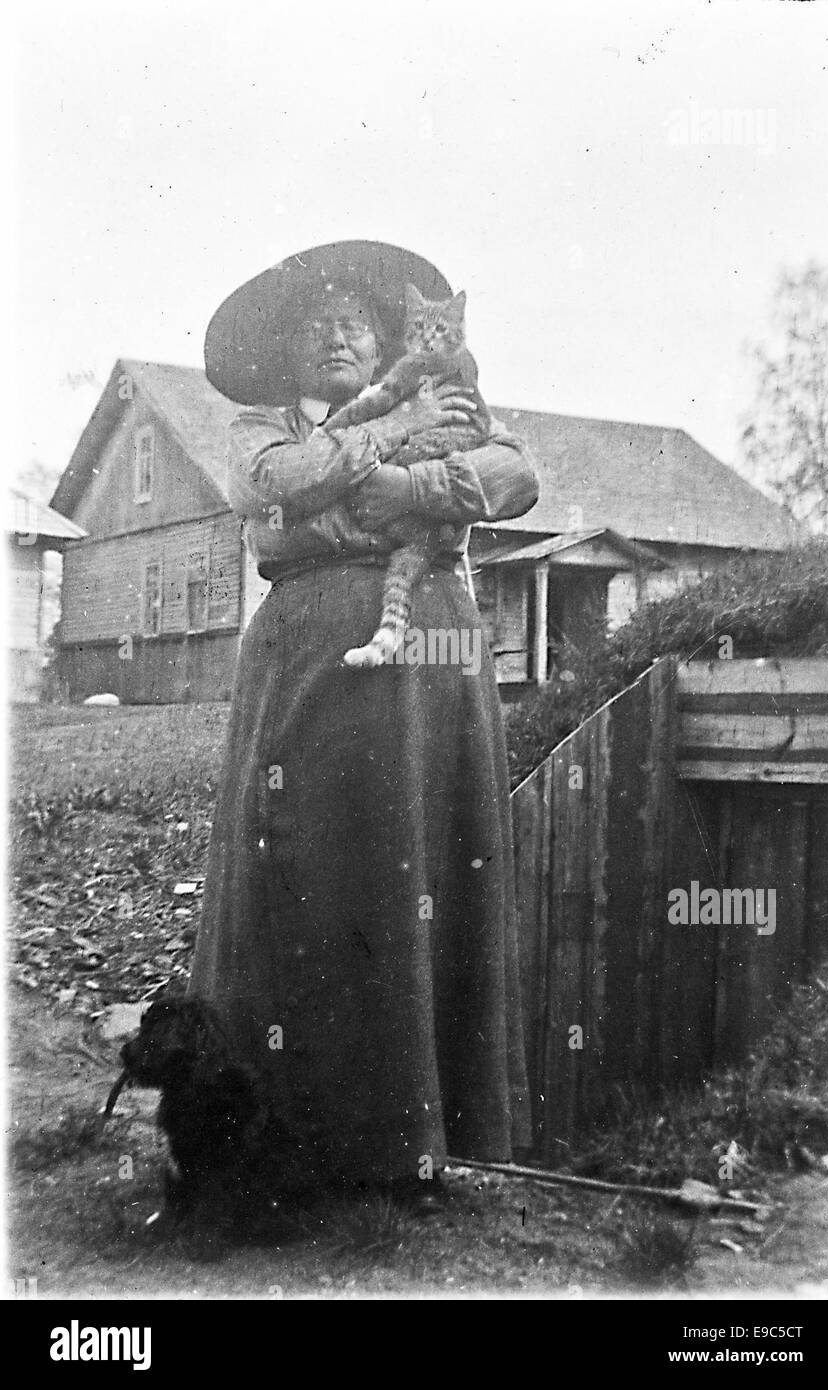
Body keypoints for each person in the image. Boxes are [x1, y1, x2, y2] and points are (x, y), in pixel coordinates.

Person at [191, 240, 538, 1212]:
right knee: (305, 873)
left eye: (354, 321)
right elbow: (270, 502)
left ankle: (418, 1143)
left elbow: (513, 475)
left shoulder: (438, 394)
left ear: (385, 335)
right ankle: (287, 1138)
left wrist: (413, 493)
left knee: (415, 873)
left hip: (428, 668)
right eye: (315, 324)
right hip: (305, 669)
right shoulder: (263, 425)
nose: (337, 335)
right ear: (287, 351)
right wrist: (385, 454)